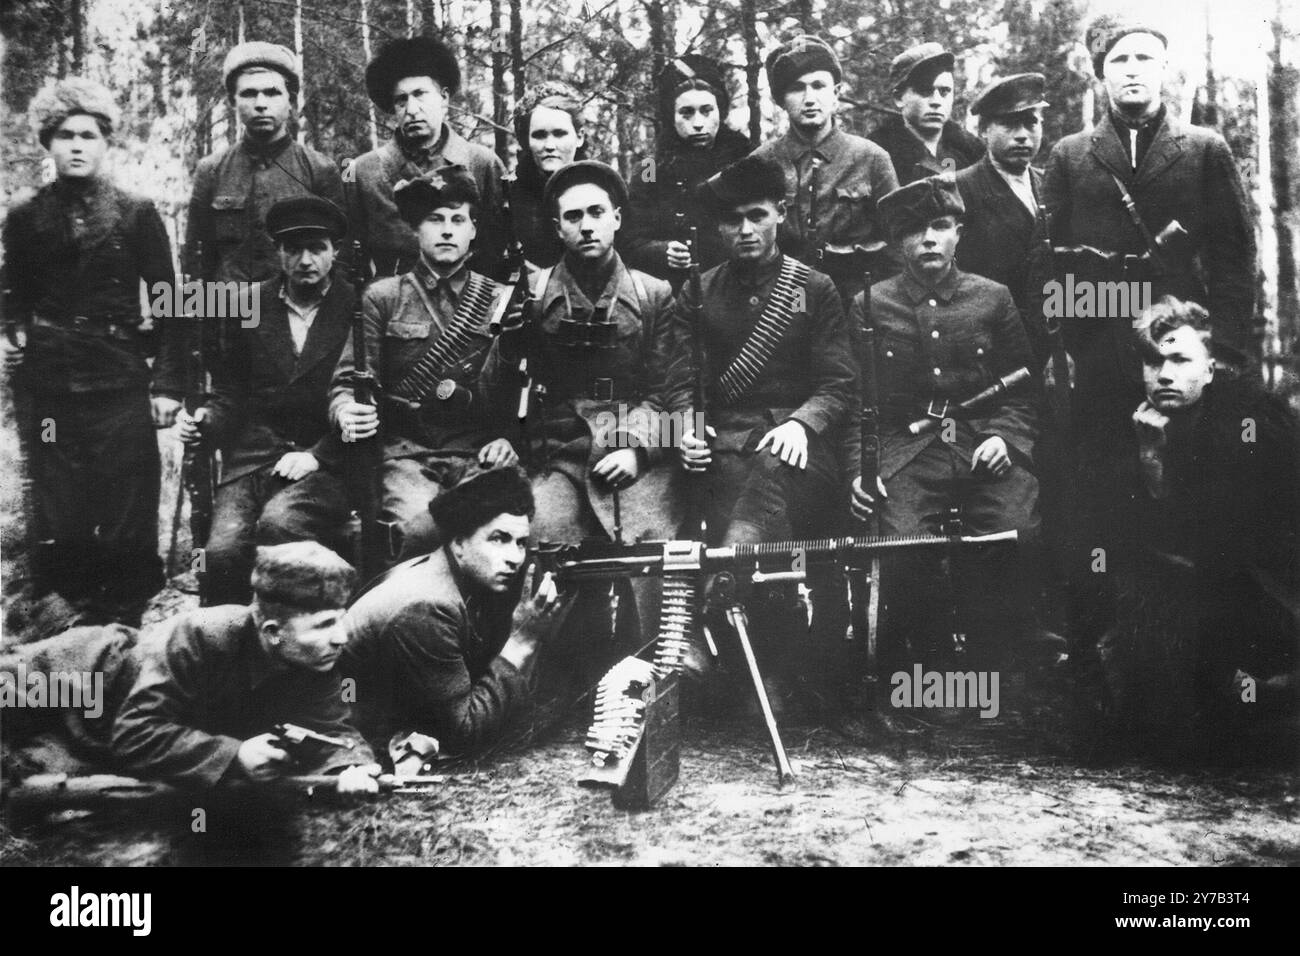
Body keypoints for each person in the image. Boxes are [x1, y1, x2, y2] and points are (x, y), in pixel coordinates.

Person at [1041, 14, 1257, 664]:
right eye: (1119, 60)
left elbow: (1232, 260)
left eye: (1144, 58)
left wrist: (1225, 356)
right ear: (1100, 73)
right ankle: (1091, 643)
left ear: (1164, 70)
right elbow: (1047, 265)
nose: (1132, 70)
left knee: (1192, 492)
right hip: (1101, 361)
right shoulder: (1071, 156)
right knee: (1099, 496)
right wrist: (1062, 352)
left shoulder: (1203, 151)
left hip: (1179, 356)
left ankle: (1207, 651)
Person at [481, 160, 682, 657]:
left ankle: (655, 662)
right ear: (557, 228)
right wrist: (507, 344)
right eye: (573, 216)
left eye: (597, 212)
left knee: (653, 544)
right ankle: (556, 665)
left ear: (617, 218)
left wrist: (639, 450)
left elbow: (676, 394)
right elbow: (498, 390)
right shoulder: (531, 292)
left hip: (633, 451)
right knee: (543, 536)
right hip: (563, 453)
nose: (586, 224)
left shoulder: (653, 294)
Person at [1, 77, 183, 626]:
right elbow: (11, 293)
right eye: (64, 135)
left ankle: (124, 615)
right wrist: (10, 337)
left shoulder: (136, 212)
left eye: (89, 135)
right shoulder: (25, 215)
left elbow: (171, 301)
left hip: (119, 380)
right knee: (59, 499)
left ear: (107, 142)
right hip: (50, 386)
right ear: (47, 143)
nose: (76, 145)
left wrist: (169, 383)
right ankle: (64, 617)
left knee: (128, 498)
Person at [674, 154, 855, 696]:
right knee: (730, 483)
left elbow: (840, 384)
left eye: (757, 215)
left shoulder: (814, 288)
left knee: (769, 475)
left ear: (780, 213)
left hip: (799, 448)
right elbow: (680, 380)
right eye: (732, 220)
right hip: (724, 444)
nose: (745, 230)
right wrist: (686, 427)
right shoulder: (698, 291)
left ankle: (731, 599)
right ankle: (749, 661)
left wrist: (802, 424)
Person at [849, 176, 1043, 677]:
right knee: (902, 544)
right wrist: (860, 470)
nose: (928, 239)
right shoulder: (870, 304)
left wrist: (1005, 437)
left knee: (1012, 530)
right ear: (897, 242)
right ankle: (928, 661)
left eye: (940, 226)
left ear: (959, 231)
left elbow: (1022, 387)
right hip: (905, 448)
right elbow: (854, 401)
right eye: (914, 230)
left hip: (980, 439)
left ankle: (996, 663)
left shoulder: (994, 298)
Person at [1101, 300, 1299, 758]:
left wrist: (1158, 468)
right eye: (1153, 361)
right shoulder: (1127, 421)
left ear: (1210, 370)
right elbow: (1109, 530)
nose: (1164, 375)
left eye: (1180, 360)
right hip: (1173, 590)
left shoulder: (1251, 423)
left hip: (1257, 590)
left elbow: (1226, 535)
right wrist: (1148, 460)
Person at [60, 542, 372, 794]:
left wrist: (349, 767)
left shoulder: (314, 656)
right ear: (273, 632)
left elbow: (330, 729)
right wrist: (234, 755)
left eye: (340, 619)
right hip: (77, 680)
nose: (340, 637)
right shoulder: (200, 636)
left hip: (103, 727)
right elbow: (135, 733)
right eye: (323, 625)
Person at [331, 165, 516, 564]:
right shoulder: (382, 297)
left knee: (499, 536)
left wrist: (509, 439)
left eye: (457, 220)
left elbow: (520, 390)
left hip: (477, 454)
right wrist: (346, 410)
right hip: (406, 455)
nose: (447, 230)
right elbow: (349, 379)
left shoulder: (501, 299)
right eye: (435, 220)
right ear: (416, 229)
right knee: (416, 531)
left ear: (473, 231)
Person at [178, 197, 356, 606]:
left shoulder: (359, 308)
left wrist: (320, 454)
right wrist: (205, 419)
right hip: (255, 456)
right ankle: (231, 647)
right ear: (277, 251)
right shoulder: (249, 304)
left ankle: (295, 643)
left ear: (335, 251)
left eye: (317, 248)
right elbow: (232, 391)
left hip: (326, 460)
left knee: (280, 528)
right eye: (293, 249)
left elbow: (367, 401)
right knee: (221, 552)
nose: (305, 260)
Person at [341, 465, 572, 758]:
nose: (514, 558)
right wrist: (522, 640)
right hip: (353, 734)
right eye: (498, 538)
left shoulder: (445, 570)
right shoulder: (427, 605)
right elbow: (464, 732)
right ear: (460, 543)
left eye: (521, 543)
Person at [750, 34, 899, 304]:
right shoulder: (761, 162)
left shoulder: (871, 159)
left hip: (855, 304)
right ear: (781, 99)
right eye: (797, 88)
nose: (809, 98)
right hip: (780, 305)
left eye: (819, 85)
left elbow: (897, 248)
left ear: (836, 93)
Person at [183, 42, 346, 283]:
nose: (260, 103)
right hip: (231, 312)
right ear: (233, 102)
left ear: (290, 101)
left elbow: (339, 260)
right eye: (249, 93)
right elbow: (198, 258)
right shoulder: (211, 171)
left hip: (295, 312)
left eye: (272, 92)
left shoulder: (320, 170)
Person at [347, 36, 507, 280]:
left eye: (420, 94)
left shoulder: (482, 163)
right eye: (401, 100)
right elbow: (350, 259)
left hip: (467, 309)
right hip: (392, 308)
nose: (411, 109)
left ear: (443, 97)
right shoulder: (364, 172)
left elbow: (497, 250)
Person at [622, 54, 752, 287]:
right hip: (676, 291)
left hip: (739, 285)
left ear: (720, 111)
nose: (698, 122)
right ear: (672, 117)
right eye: (687, 113)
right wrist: (660, 251)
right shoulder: (651, 169)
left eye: (707, 110)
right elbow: (630, 239)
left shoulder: (746, 162)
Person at [868, 42, 985, 186]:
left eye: (944, 92)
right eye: (924, 91)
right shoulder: (875, 154)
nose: (936, 101)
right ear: (899, 98)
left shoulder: (974, 153)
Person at [507, 82, 590, 269]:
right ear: (526, 141)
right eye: (539, 135)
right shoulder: (509, 196)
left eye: (560, 134)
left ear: (579, 137)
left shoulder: (604, 189)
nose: (550, 145)